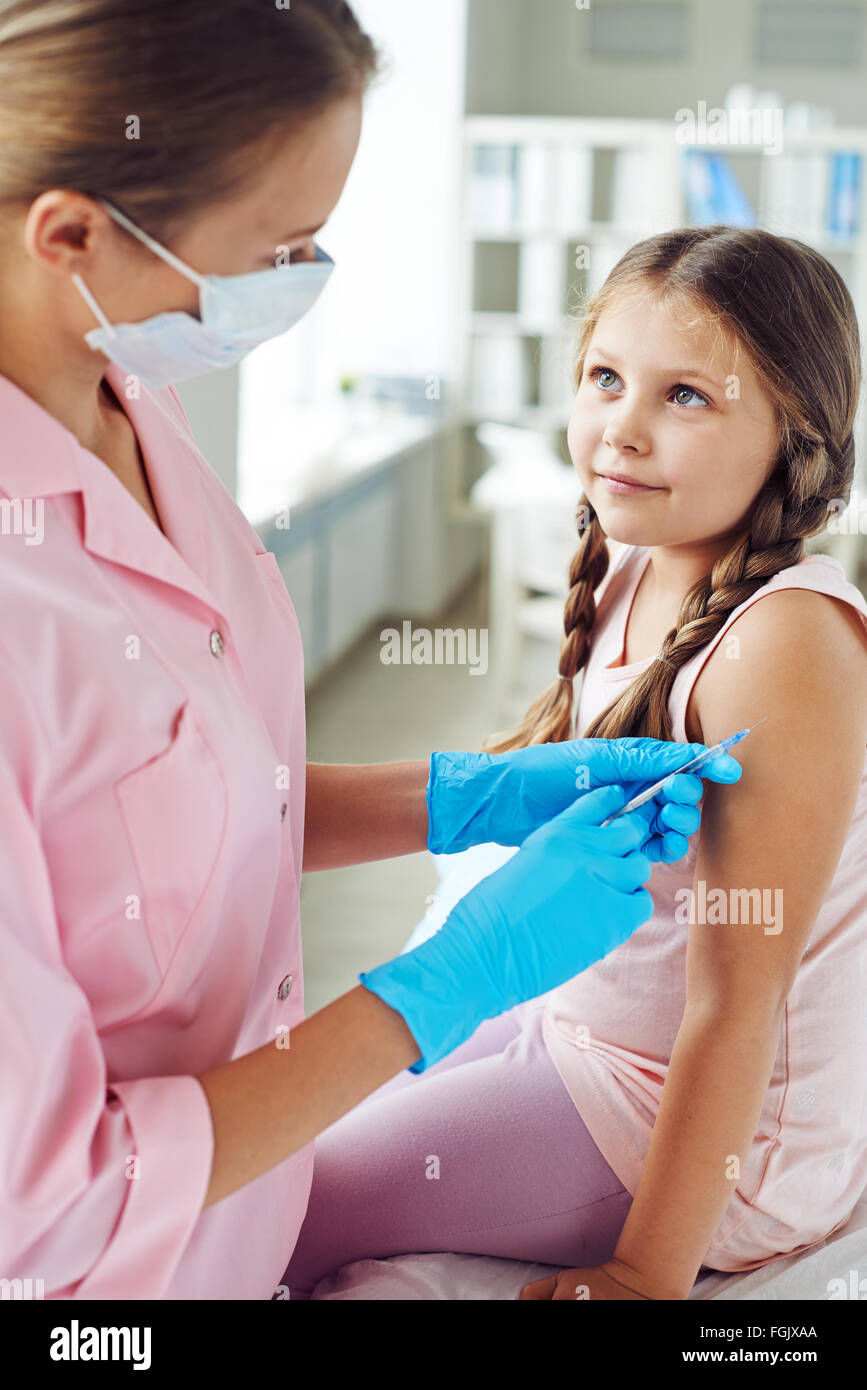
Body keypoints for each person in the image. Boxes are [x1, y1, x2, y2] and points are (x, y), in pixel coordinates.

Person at [0, 0, 739, 1300]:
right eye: (277, 246)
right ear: (68, 234)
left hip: (252, 1230)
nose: (302, 279)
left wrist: (455, 798)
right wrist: (440, 986)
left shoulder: (136, 403)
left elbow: (178, 813)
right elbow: (51, 1210)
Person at [283, 226, 867, 1303]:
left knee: (281, 1209)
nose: (622, 430)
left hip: (684, 1119)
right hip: (580, 1037)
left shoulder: (786, 644)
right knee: (287, 1146)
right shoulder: (633, 566)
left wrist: (645, 1272)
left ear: (796, 435)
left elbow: (740, 1001)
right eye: (605, 377)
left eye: (686, 395)